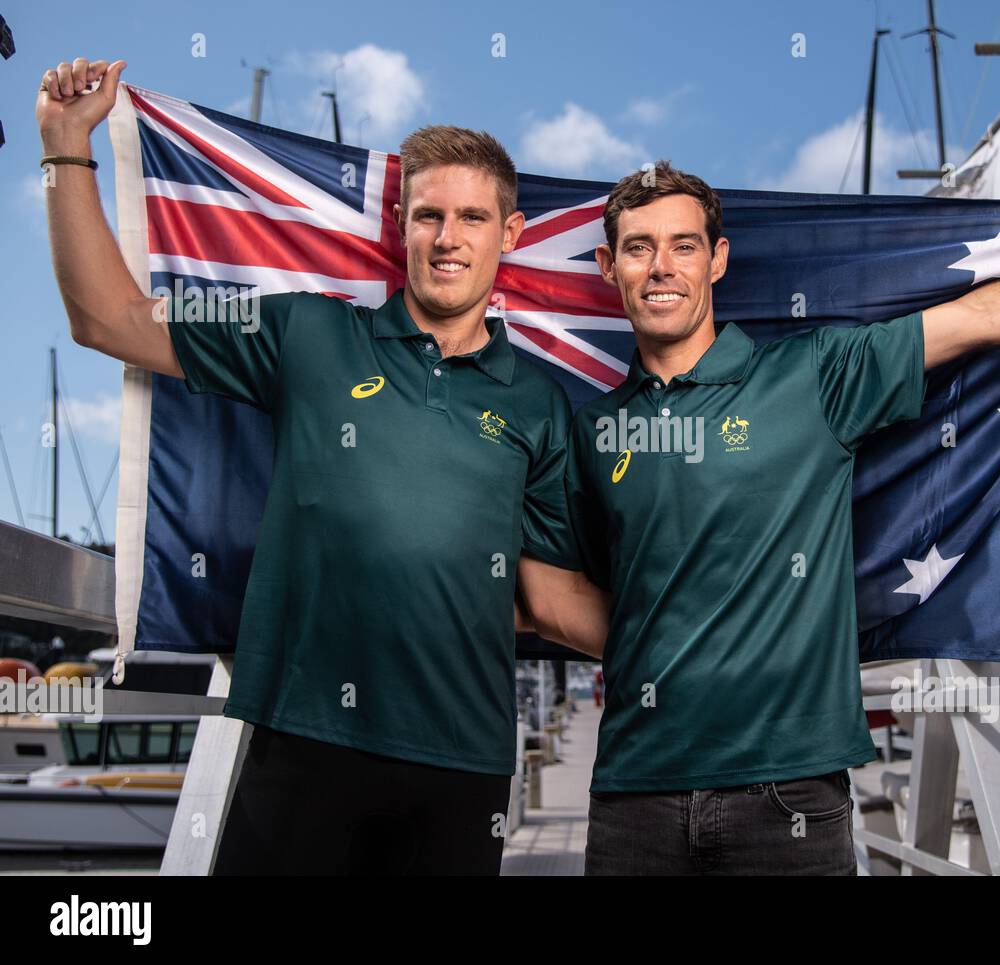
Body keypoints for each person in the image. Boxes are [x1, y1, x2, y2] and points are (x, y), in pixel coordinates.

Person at [566, 160, 1000, 875]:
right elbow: (587, 597)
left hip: (787, 792)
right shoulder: (593, 432)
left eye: (682, 244)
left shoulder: (814, 376)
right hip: (632, 795)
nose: (661, 267)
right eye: (639, 247)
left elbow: (985, 316)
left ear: (718, 259)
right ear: (608, 266)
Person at [37, 57, 606, 875]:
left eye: (473, 218)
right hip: (300, 743)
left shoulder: (540, 405)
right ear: (400, 225)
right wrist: (64, 145)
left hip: (462, 763)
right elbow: (109, 318)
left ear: (509, 235)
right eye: (428, 216)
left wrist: (686, 657)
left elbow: (552, 600)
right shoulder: (307, 335)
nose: (449, 239)